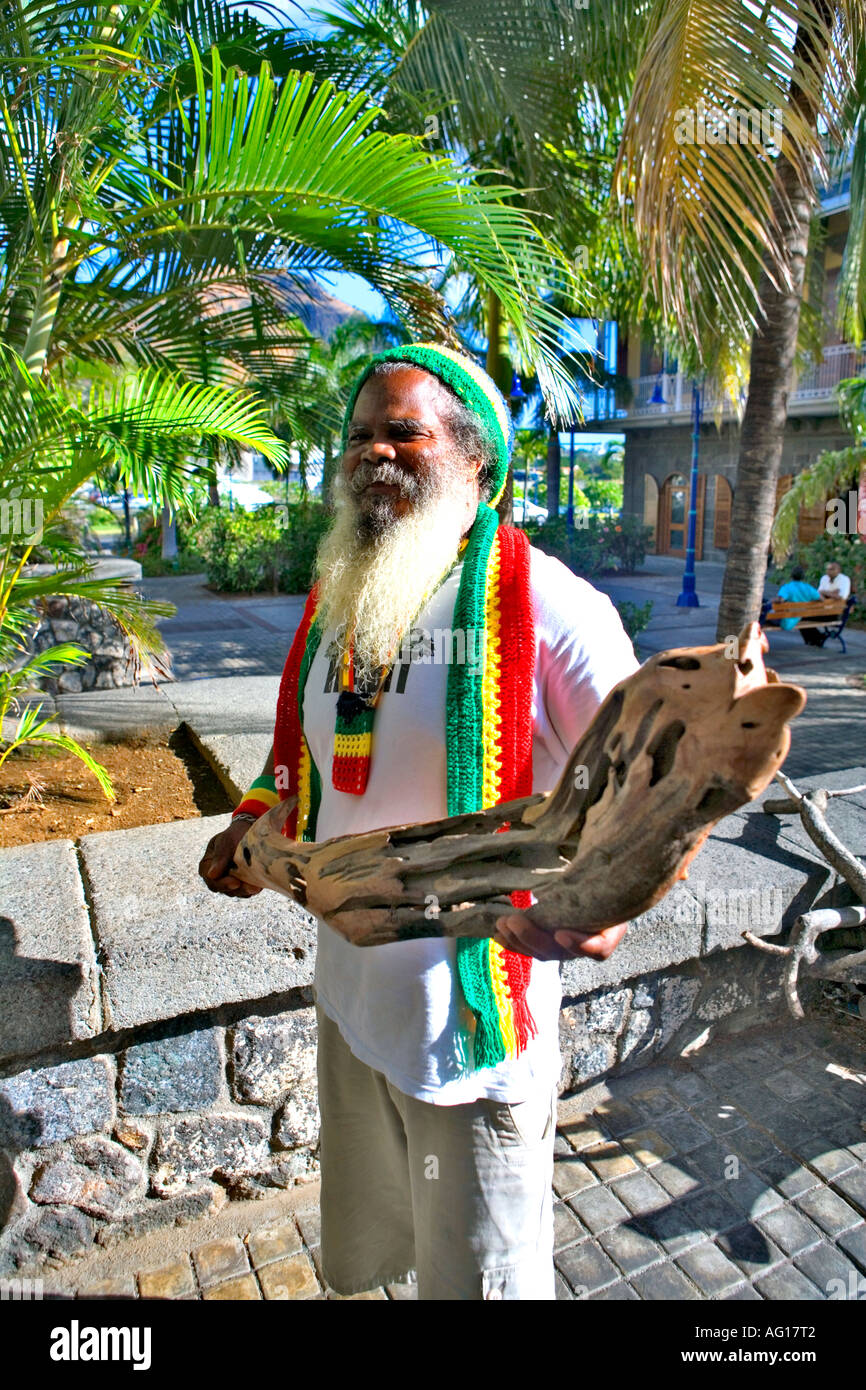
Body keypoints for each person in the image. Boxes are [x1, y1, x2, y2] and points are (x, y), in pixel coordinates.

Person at [198, 343, 638, 1300]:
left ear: (477, 458)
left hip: (471, 1034)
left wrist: (608, 898)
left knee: (480, 1278)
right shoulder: (338, 604)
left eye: (404, 430)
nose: (372, 453)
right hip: (353, 1005)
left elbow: (645, 792)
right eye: (358, 435)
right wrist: (247, 830)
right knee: (379, 1248)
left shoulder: (553, 607)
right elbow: (296, 758)